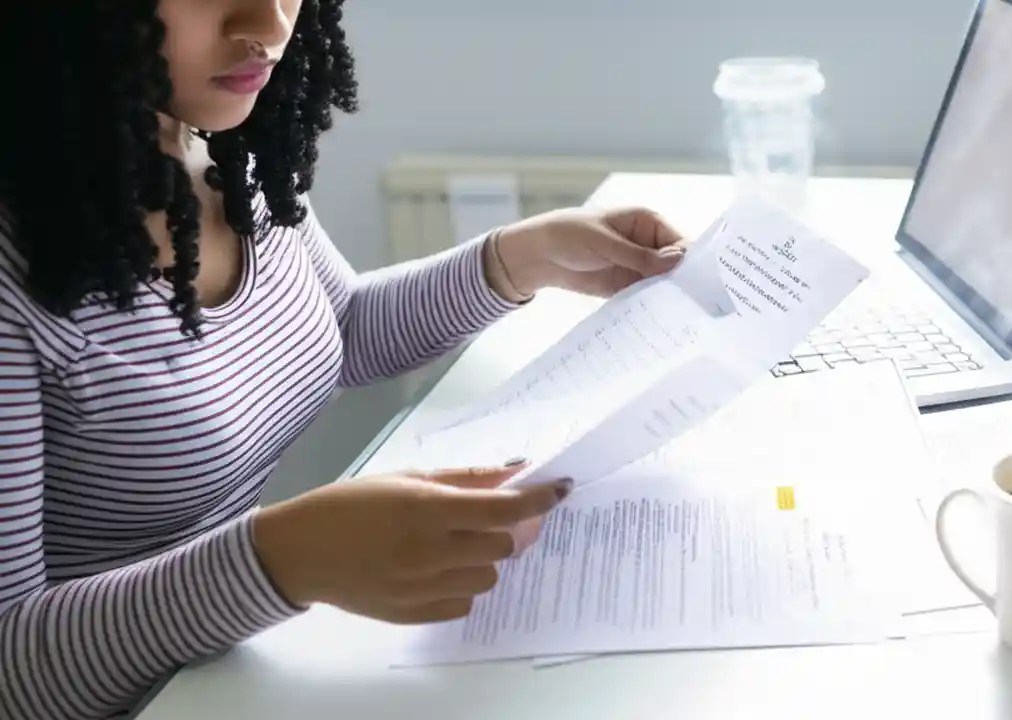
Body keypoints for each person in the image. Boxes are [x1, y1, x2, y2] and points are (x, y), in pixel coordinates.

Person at [0, 2, 688, 718]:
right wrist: (284, 560)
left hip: (224, 680)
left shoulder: (222, 151)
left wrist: (521, 259)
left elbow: (339, 329)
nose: (268, 25)